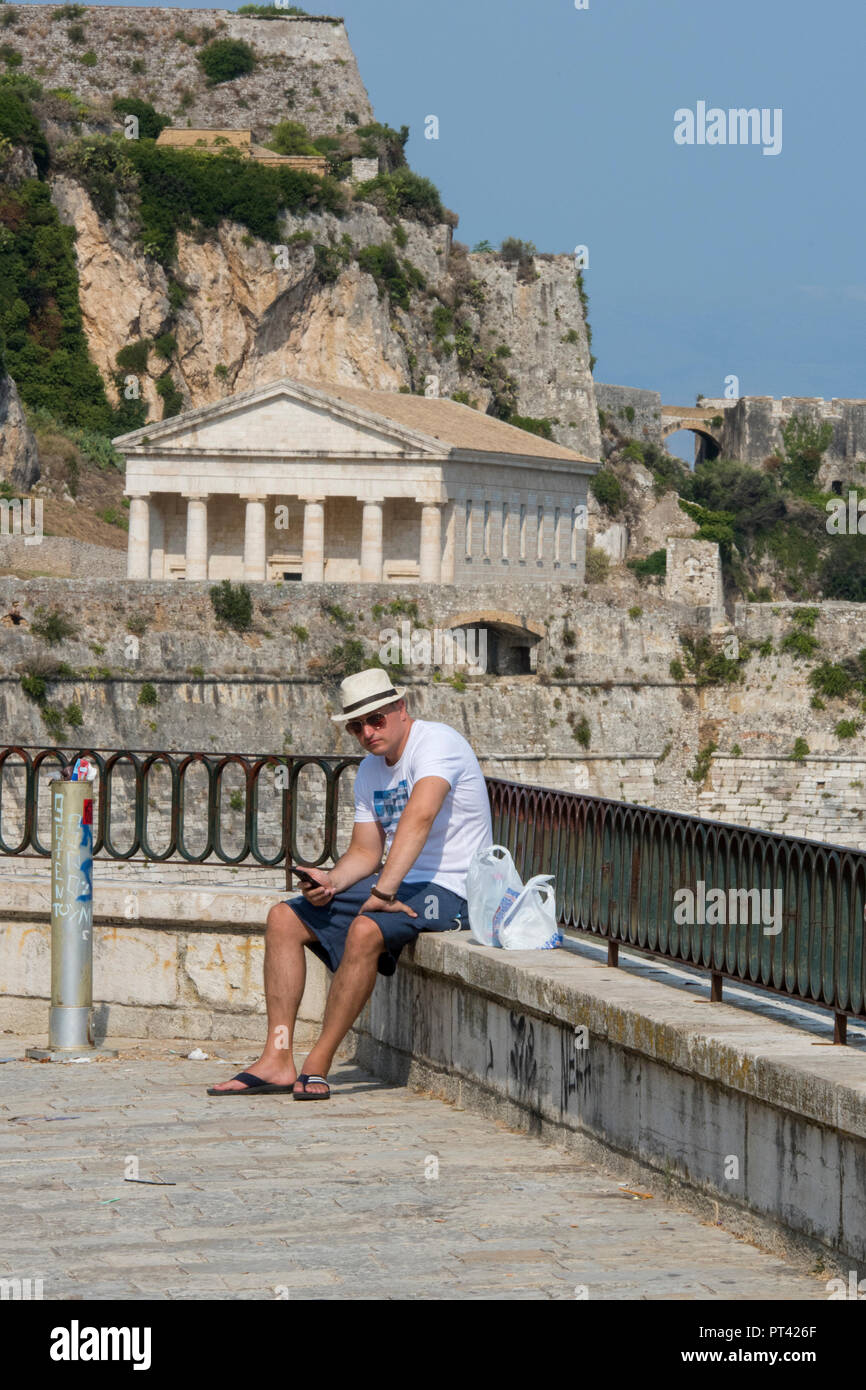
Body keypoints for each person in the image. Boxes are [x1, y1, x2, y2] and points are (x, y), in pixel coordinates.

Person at [208, 668, 493, 1100]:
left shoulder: (438, 743)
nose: (367, 732)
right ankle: (277, 1058)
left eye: (376, 719)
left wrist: (382, 894)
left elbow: (420, 817)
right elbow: (364, 852)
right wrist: (331, 882)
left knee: (365, 929)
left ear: (401, 708)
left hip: (456, 891)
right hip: (399, 880)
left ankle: (317, 1064)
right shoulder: (370, 772)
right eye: (357, 725)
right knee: (284, 918)